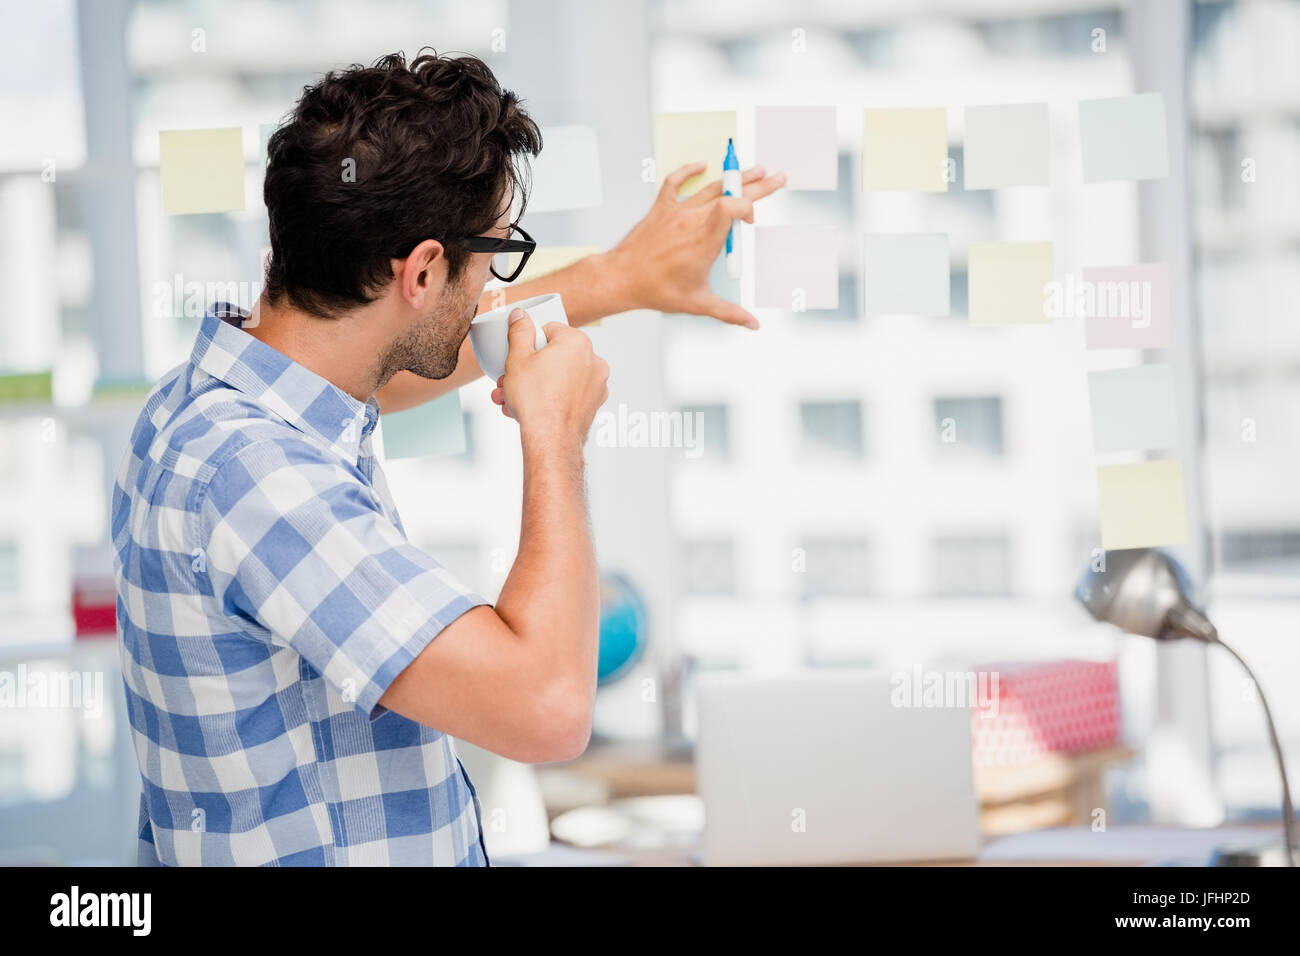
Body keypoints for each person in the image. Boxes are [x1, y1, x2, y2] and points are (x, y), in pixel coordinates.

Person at [111, 50, 785, 866]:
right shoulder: (260, 476)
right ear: (424, 269)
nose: (491, 287)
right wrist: (554, 435)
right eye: (494, 257)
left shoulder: (210, 401)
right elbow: (548, 708)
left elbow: (384, 374)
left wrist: (620, 277)